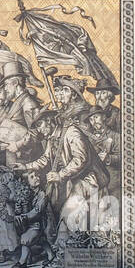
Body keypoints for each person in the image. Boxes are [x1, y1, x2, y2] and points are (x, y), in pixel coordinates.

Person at [46, 76, 111, 238]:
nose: (59, 94)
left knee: (71, 216)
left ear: (74, 94)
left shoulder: (82, 113)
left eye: (64, 90)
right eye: (58, 91)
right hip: (69, 175)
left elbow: (86, 147)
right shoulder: (62, 114)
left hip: (86, 174)